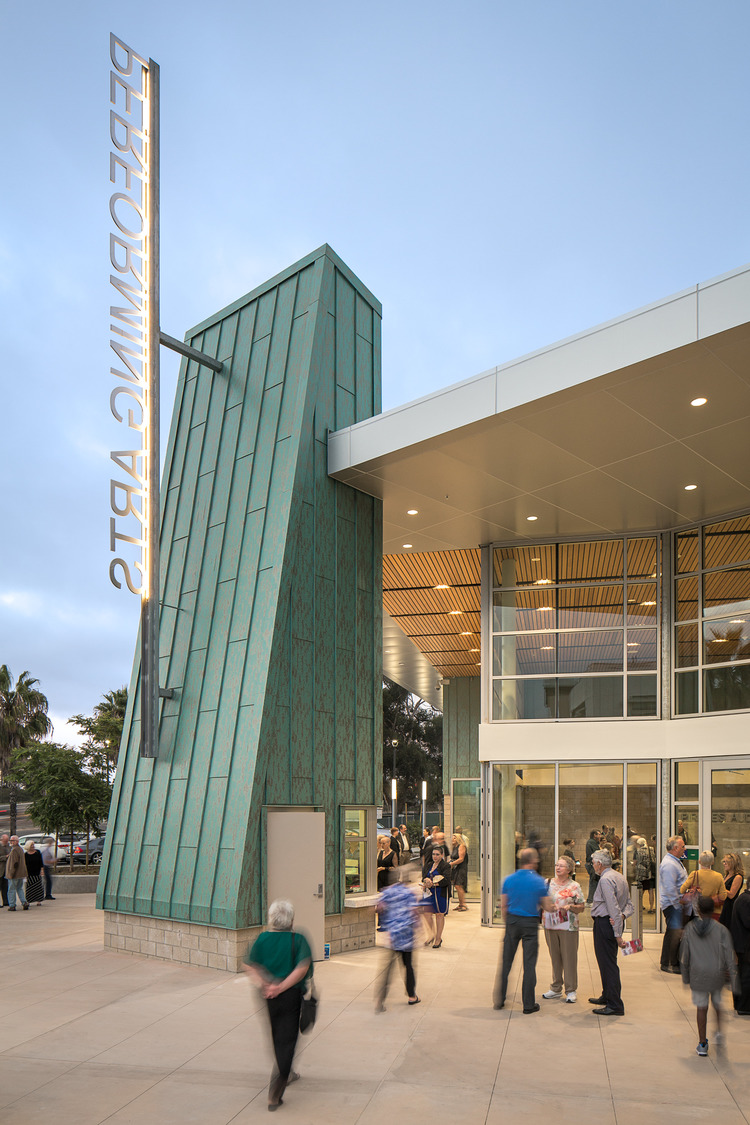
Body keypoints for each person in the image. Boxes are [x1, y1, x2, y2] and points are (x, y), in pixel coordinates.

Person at [242, 899, 312, 1111]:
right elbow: (302, 968)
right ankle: (276, 1092)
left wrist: (266, 985)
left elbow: (249, 965)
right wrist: (280, 988)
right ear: (291, 920)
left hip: (267, 997)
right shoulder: (298, 939)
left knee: (275, 1035)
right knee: (287, 1041)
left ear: (271, 919)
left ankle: (287, 1072)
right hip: (289, 996)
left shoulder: (262, 939)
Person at [493, 847, 553, 1014]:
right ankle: (528, 1004)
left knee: (506, 963)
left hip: (512, 921)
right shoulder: (539, 881)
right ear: (533, 862)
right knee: (529, 964)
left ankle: (499, 1000)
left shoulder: (508, 880)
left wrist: (510, 922)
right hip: (530, 925)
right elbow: (547, 905)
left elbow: (503, 905)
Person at [680, 895, 737, 1056]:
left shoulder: (690, 928)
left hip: (698, 975)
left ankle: (702, 1043)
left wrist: (685, 976)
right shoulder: (721, 929)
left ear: (698, 910)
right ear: (713, 910)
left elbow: (684, 955)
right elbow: (729, 954)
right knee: (718, 1004)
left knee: (701, 1007)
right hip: (717, 974)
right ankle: (719, 1033)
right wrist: (732, 977)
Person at [589, 849, 632, 1016]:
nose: (593, 866)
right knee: (607, 962)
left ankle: (614, 1004)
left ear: (599, 864)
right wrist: (622, 917)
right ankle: (607, 995)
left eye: (593, 863)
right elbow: (628, 905)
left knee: (608, 964)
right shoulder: (619, 876)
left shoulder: (606, 880)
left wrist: (617, 933)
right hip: (612, 922)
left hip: (605, 924)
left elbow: (613, 907)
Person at [375, 867, 420, 1011]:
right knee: (408, 966)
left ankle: (380, 1001)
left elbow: (378, 908)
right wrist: (419, 929)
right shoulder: (409, 893)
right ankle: (412, 996)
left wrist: (387, 920)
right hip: (407, 936)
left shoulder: (386, 892)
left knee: (388, 969)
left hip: (393, 936)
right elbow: (415, 913)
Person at [542, 855, 585, 1003]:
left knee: (569, 958)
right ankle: (555, 988)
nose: (557, 868)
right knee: (555, 957)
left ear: (569, 870)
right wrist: (548, 906)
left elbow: (581, 907)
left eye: (561, 866)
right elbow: (539, 901)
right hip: (550, 925)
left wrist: (570, 907)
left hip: (569, 926)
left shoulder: (574, 886)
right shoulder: (547, 883)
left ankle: (571, 989)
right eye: (556, 865)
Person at [659, 835, 688, 973]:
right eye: (682, 847)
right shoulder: (669, 865)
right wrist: (678, 905)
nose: (685, 849)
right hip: (672, 905)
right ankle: (668, 963)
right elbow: (670, 889)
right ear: (675, 848)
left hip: (676, 904)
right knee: (673, 934)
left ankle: (673, 962)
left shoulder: (675, 861)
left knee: (675, 934)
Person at [681, 851, 726, 922]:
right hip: (714, 911)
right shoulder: (719, 876)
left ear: (699, 861)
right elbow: (723, 896)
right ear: (712, 862)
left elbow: (682, 890)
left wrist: (691, 890)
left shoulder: (694, 874)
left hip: (698, 911)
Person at [420, 845, 451, 948]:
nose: (435, 856)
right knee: (427, 914)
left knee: (439, 914)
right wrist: (426, 881)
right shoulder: (428, 864)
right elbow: (423, 877)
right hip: (428, 893)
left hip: (440, 893)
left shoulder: (445, 866)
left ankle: (438, 938)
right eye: (433, 854)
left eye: (437, 854)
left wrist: (433, 884)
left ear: (442, 855)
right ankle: (432, 934)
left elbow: (446, 880)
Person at [730, 878, 750, 1014]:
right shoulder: (746, 900)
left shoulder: (744, 899)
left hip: (742, 942)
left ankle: (740, 1004)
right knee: (746, 975)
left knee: (743, 973)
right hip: (745, 943)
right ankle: (744, 1006)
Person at [719, 853, 744, 932]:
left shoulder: (738, 877)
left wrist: (720, 886)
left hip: (729, 907)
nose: (724, 864)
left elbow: (731, 895)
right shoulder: (726, 875)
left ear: (732, 863)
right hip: (722, 905)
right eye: (724, 862)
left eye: (726, 862)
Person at [5, 836, 29, 911]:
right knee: (19, 889)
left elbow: (14, 864)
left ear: (16, 841)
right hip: (20, 874)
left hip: (15, 874)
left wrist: (11, 874)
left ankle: (12, 905)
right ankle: (24, 902)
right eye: (10, 840)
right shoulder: (20, 849)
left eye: (12, 840)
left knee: (11, 890)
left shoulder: (15, 850)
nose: (10, 842)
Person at [634, 836, 656, 913]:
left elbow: (635, 862)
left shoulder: (637, 851)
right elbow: (654, 860)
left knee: (641, 891)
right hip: (650, 873)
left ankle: (640, 906)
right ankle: (651, 908)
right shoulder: (651, 849)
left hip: (641, 874)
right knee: (651, 891)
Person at [448, 832, 469, 910]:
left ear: (458, 839)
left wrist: (452, 864)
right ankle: (460, 904)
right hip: (456, 868)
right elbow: (453, 857)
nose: (452, 839)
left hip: (461, 868)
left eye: (454, 838)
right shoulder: (455, 847)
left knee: (458, 886)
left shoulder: (462, 846)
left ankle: (463, 904)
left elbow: (461, 859)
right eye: (452, 838)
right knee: (457, 886)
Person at [585, 829, 601, 903]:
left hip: (592, 864)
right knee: (593, 883)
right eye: (599, 834)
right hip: (591, 865)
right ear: (594, 835)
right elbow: (597, 852)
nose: (600, 836)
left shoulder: (594, 842)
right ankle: (590, 900)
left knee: (595, 882)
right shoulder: (591, 842)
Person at [0, 833, 9, 907]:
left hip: (7, 870)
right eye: (5, 841)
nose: (7, 842)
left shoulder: (9, 846)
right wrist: (5, 857)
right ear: (2, 840)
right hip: (0, 869)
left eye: (7, 841)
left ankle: (5, 901)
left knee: (5, 887)